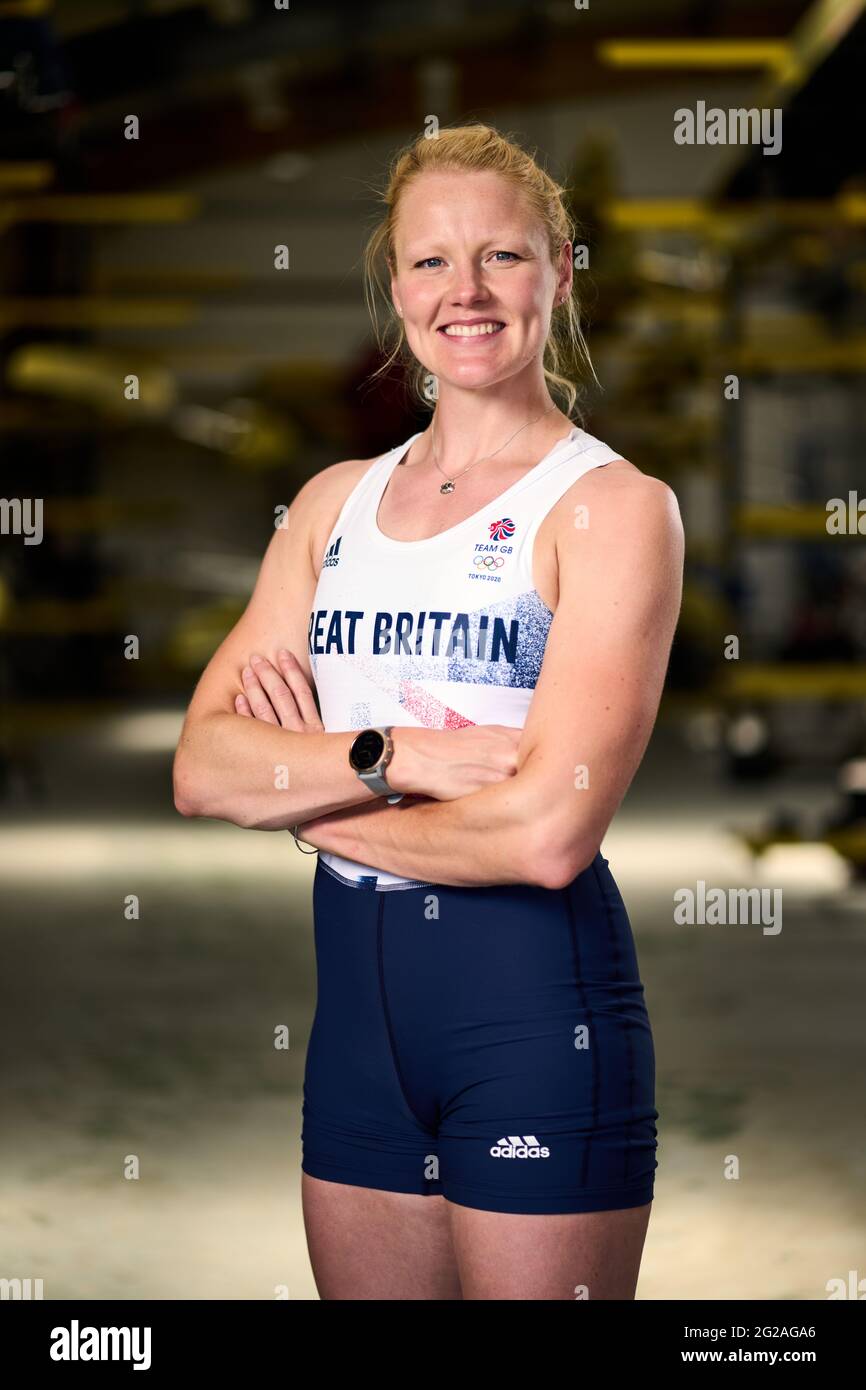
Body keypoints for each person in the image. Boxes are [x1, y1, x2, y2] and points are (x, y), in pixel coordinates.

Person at [173, 123, 684, 1300]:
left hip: (532, 1023)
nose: (465, 293)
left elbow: (544, 836)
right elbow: (204, 769)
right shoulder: (329, 507)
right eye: (429, 262)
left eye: (500, 257)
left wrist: (309, 808)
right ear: (392, 284)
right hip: (356, 1036)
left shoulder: (608, 508)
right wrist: (399, 753)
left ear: (561, 269)